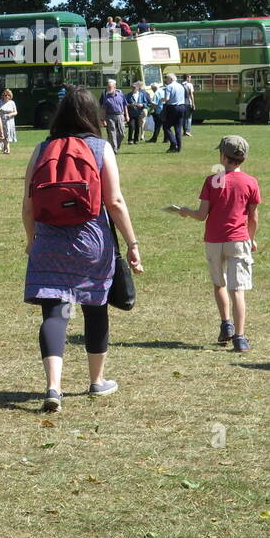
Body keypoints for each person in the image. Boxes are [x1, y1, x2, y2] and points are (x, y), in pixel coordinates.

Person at [23, 86, 143, 411]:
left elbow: (29, 203)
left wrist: (32, 239)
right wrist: (132, 244)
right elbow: (114, 202)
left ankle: (53, 387)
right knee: (95, 307)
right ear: (93, 115)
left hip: (49, 239)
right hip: (92, 240)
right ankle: (96, 382)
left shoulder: (42, 148)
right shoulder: (100, 148)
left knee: (55, 311)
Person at [166, 135, 260, 353]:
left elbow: (201, 215)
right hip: (238, 240)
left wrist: (185, 211)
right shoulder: (251, 182)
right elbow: (253, 218)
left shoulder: (213, 180)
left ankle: (226, 324)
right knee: (238, 290)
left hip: (214, 240)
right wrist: (251, 238)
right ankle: (240, 337)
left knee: (220, 284)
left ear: (222, 156)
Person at [160, 72, 186, 152]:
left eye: (166, 79)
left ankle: (174, 143)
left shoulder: (169, 87)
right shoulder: (181, 86)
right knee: (178, 129)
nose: (165, 80)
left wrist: (162, 99)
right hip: (182, 106)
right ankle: (179, 147)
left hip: (172, 107)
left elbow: (167, 99)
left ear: (171, 79)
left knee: (166, 127)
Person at [100, 78, 126, 151]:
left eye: (110, 87)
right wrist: (103, 119)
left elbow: (125, 105)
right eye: (107, 87)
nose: (108, 88)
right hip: (110, 116)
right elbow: (103, 109)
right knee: (112, 133)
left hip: (120, 115)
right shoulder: (106, 98)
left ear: (114, 87)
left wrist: (126, 115)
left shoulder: (121, 95)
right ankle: (114, 150)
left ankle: (116, 145)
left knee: (122, 133)